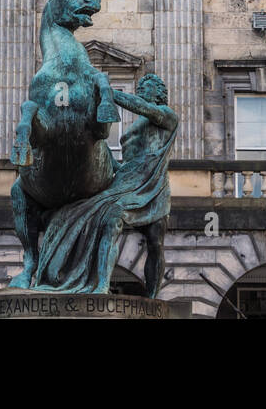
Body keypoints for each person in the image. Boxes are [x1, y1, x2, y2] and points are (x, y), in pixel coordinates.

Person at [30, 73, 179, 297]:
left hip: (153, 184)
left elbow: (143, 108)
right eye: (140, 87)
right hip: (126, 182)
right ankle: (100, 284)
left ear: (159, 92)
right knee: (108, 219)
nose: (141, 90)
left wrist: (108, 92)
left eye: (147, 87)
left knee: (155, 242)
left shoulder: (167, 116)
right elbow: (126, 162)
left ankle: (153, 297)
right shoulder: (138, 125)